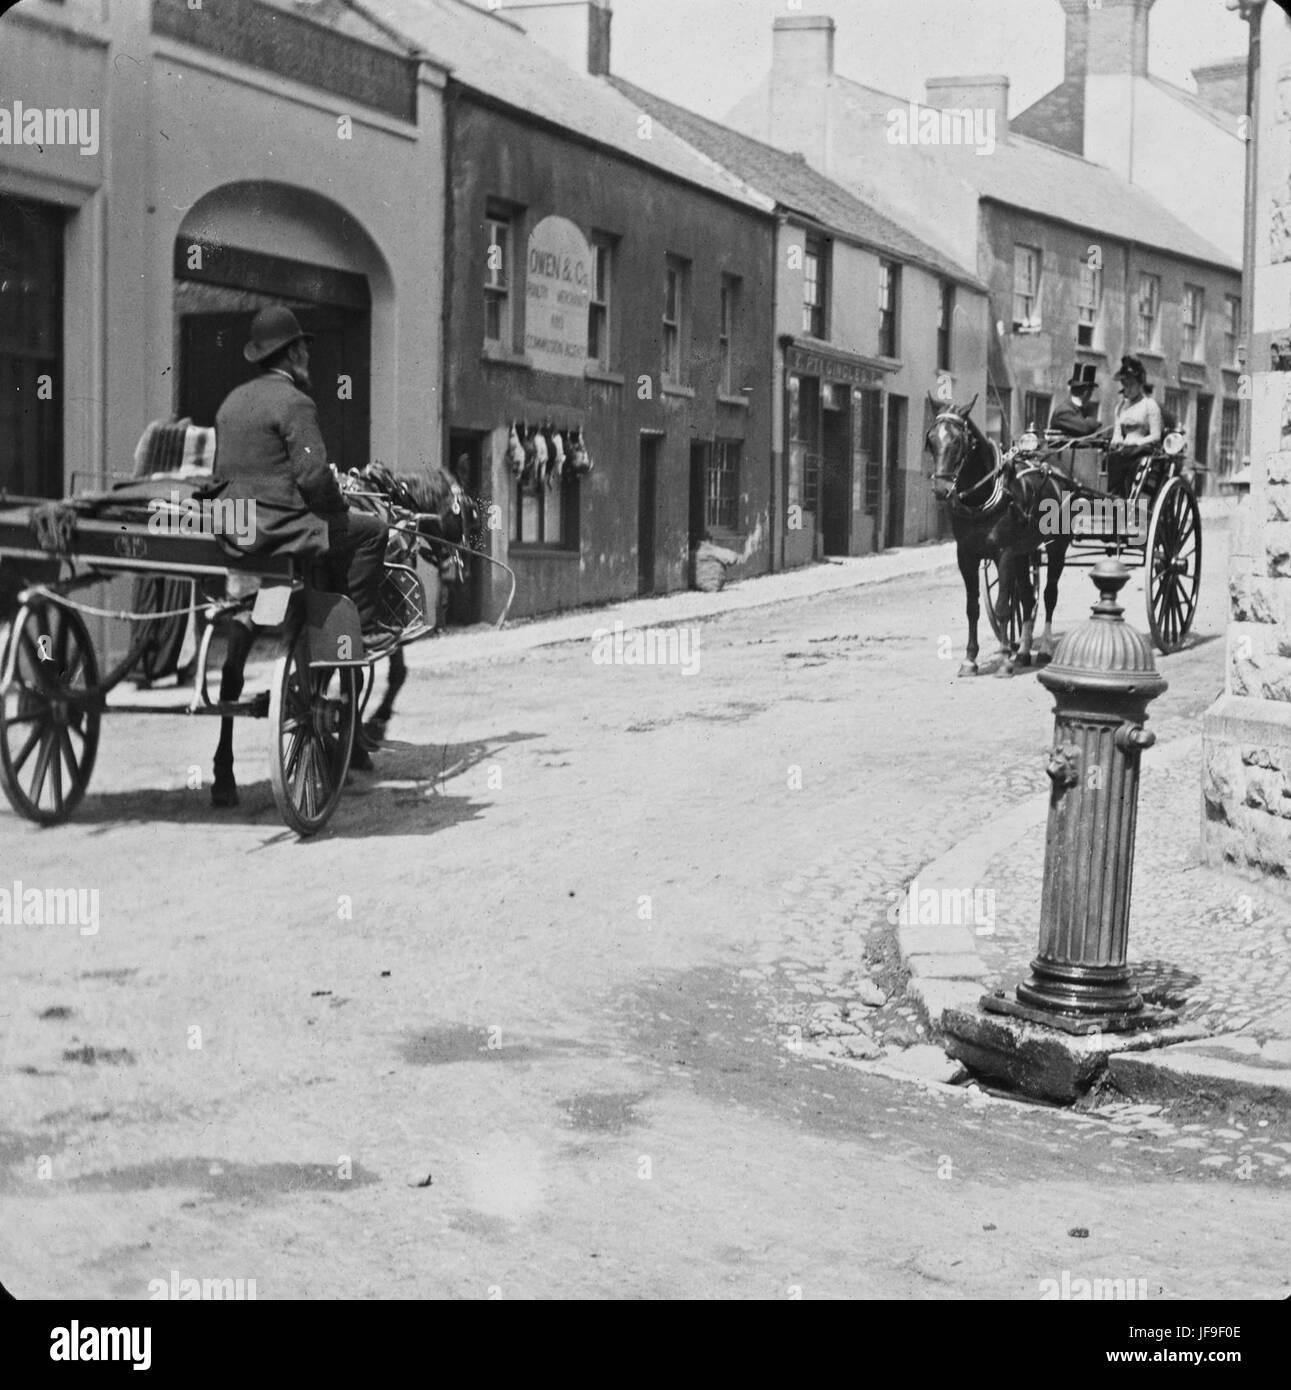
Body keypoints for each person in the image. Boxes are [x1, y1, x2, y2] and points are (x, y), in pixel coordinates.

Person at [211, 304, 395, 648]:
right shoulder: (295, 402)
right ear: (293, 352)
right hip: (277, 530)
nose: (308, 355)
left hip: (232, 527)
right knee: (372, 531)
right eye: (304, 347)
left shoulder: (231, 401)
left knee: (336, 531)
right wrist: (338, 505)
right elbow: (313, 478)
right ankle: (362, 629)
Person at [1107, 354, 1163, 496]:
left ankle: (1128, 499)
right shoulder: (1120, 407)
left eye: (1132, 384)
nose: (1128, 389)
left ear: (1140, 384)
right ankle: (1112, 496)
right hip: (1124, 449)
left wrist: (1138, 442)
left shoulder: (1149, 405)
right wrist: (1116, 441)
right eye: (1125, 385)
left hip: (1143, 449)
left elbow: (1156, 436)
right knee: (1111, 457)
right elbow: (1117, 433)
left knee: (1127, 461)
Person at [1048, 364, 1103, 437]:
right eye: (1091, 390)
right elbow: (1084, 428)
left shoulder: (1079, 410)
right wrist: (1098, 424)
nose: (1091, 394)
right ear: (1086, 391)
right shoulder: (1063, 411)